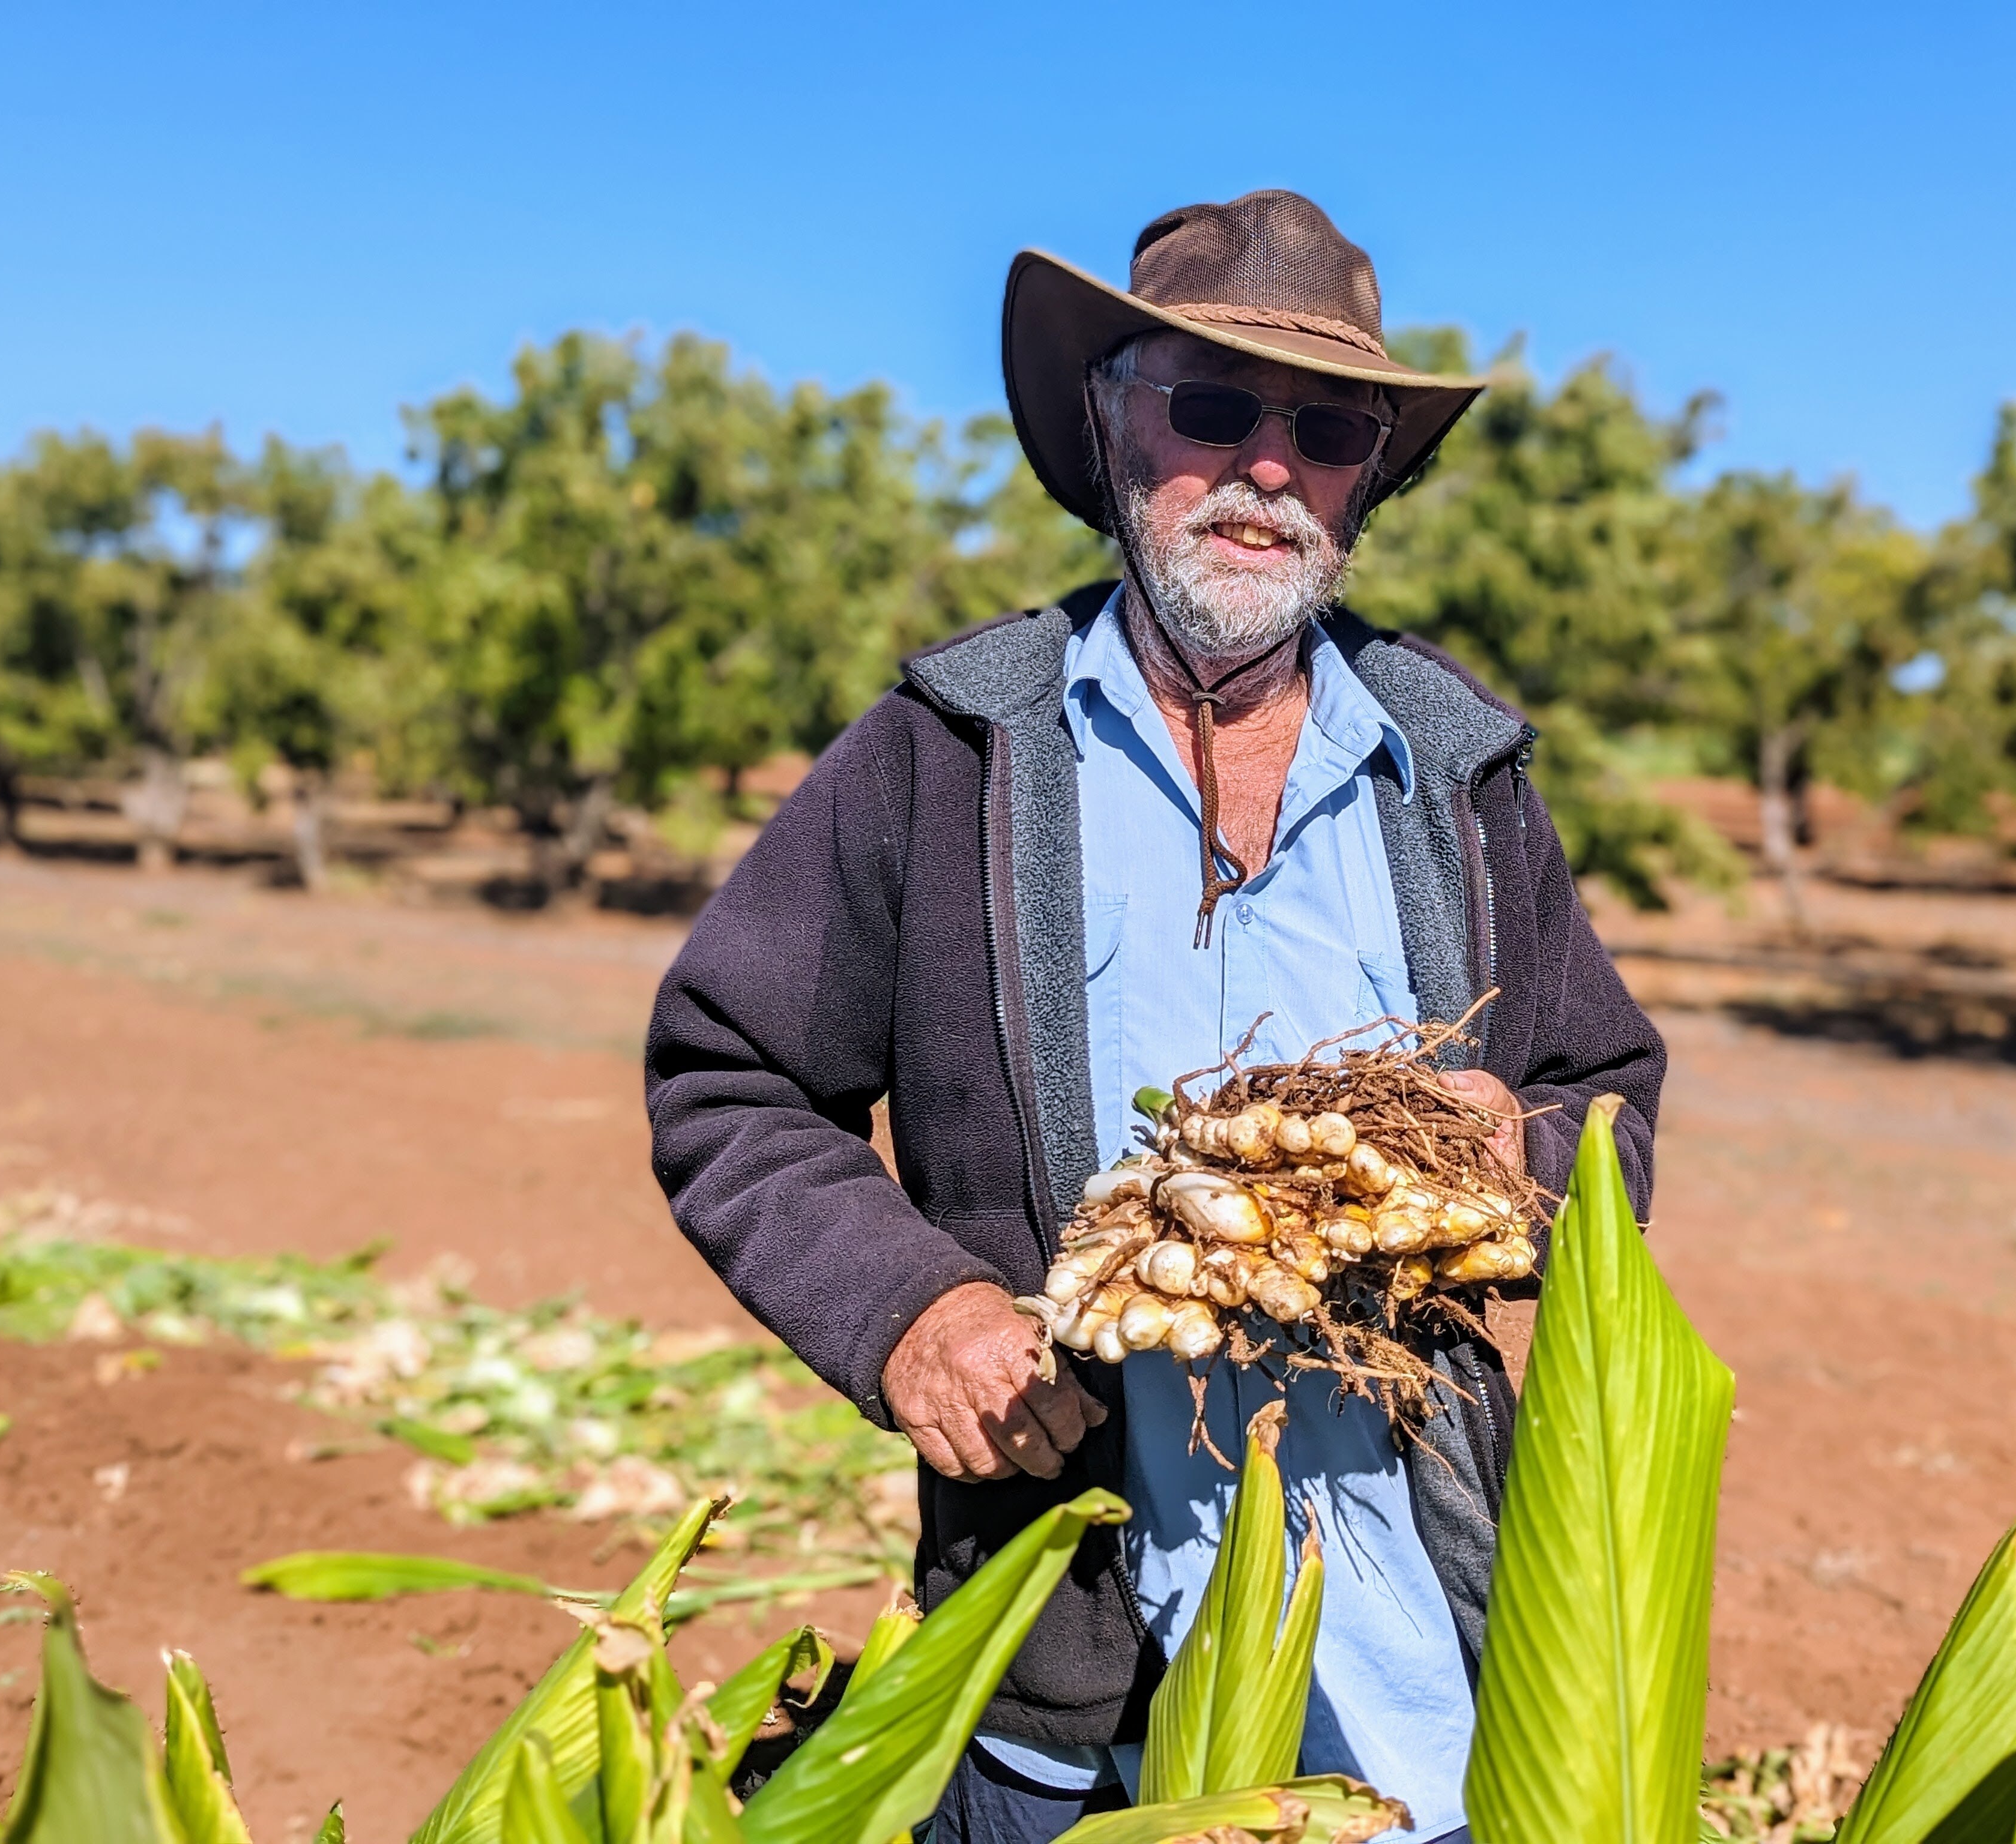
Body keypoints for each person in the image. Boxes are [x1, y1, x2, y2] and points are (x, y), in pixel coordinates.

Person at [645, 190, 1666, 1844]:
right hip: (1068, 1646)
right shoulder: (950, 751)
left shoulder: (1458, 774)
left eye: (1328, 428)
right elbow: (731, 1078)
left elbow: (1603, 1087)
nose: (1268, 468)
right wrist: (914, 1315)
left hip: (1414, 1654)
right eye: (1212, 407)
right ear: (1111, 423)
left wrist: (1520, 1154)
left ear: (1365, 478)